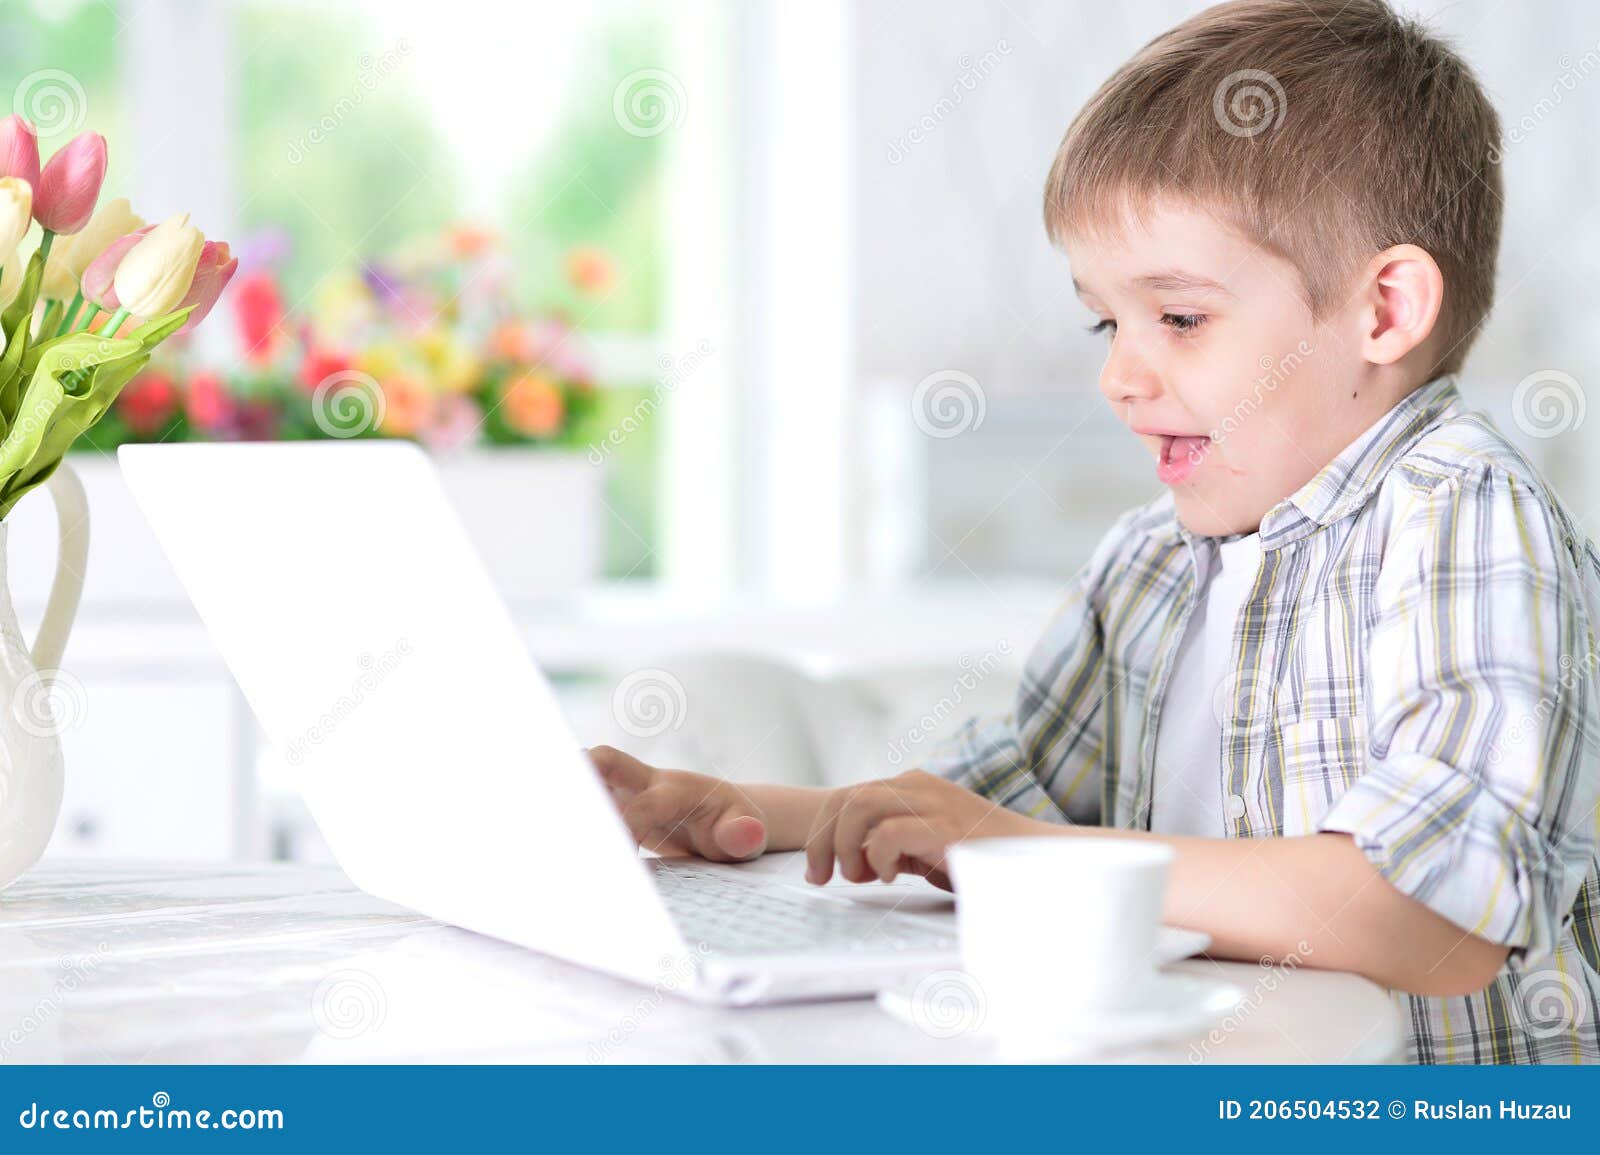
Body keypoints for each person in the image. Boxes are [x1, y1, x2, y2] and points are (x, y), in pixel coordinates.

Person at [592, 0, 1600, 1064]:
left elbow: (1434, 919)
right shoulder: (1151, 564)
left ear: (1385, 311)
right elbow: (990, 806)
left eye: (1178, 318)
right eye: (1103, 320)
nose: (1119, 376)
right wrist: (737, 808)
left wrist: (1013, 849)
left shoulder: (1462, 516)